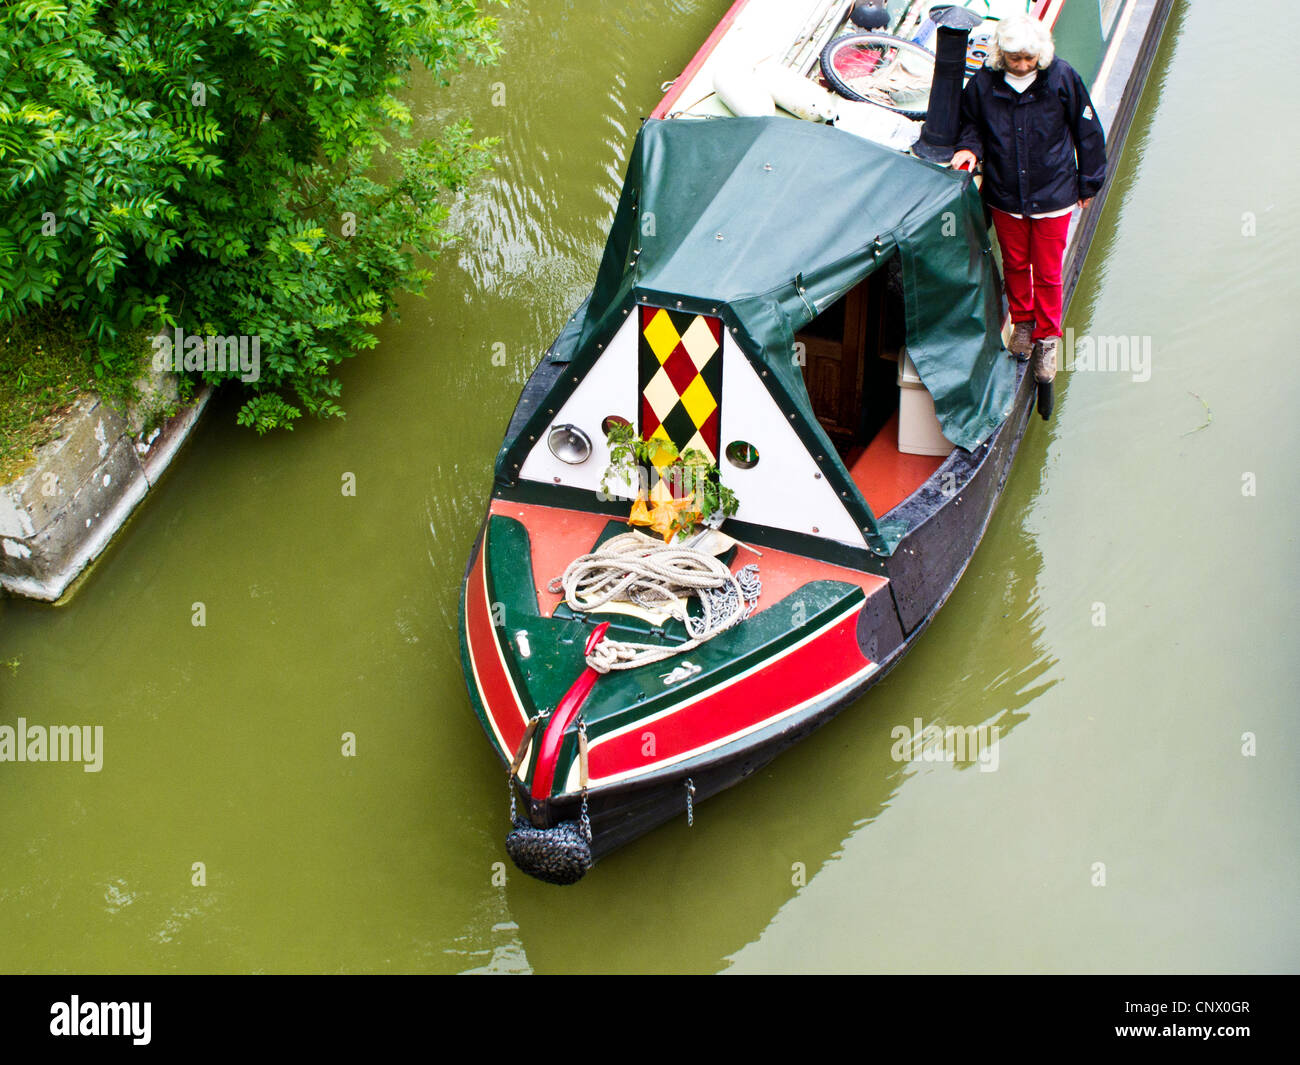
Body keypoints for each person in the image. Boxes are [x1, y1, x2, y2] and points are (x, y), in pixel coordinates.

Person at [950, 13, 1106, 419]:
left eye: (1028, 59)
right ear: (1003, 54)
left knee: (1049, 271)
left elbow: (1087, 129)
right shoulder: (985, 85)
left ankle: (1048, 338)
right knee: (1017, 263)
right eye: (1015, 58)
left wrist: (1089, 182)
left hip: (1053, 193)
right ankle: (1023, 323)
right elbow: (972, 125)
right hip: (1007, 196)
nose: (1022, 66)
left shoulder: (1062, 79)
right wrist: (969, 149)